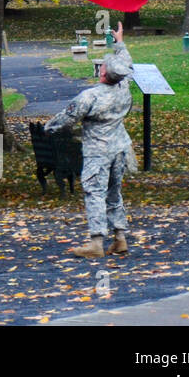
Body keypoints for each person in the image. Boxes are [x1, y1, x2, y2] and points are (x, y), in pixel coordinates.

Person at [43, 22, 136, 259]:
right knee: (114, 193)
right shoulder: (124, 87)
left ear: (102, 73)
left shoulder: (90, 97)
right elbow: (126, 64)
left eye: (103, 65)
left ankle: (96, 242)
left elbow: (67, 118)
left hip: (98, 152)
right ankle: (120, 238)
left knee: (94, 192)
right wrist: (119, 42)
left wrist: (49, 128)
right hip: (121, 149)